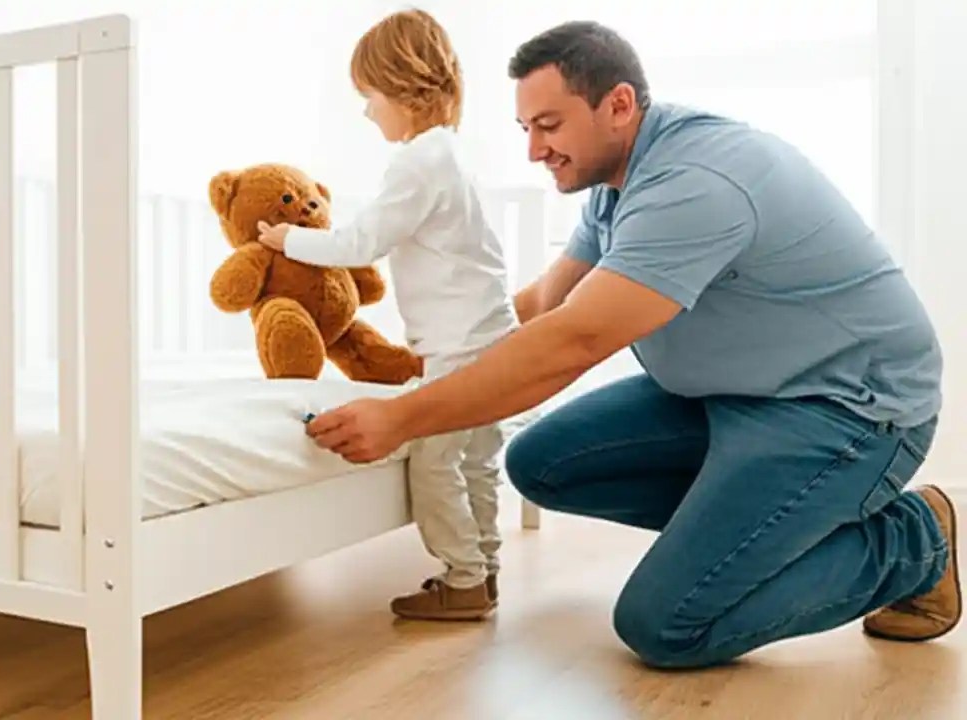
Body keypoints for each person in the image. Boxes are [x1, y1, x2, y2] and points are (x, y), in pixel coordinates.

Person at [301, 19, 958, 667]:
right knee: (541, 462)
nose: (534, 150)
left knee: (665, 624)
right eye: (525, 128)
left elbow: (573, 340)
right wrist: (430, 361)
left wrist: (402, 420)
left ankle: (914, 542)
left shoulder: (695, 182)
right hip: (727, 397)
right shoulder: (619, 181)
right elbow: (539, 305)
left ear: (617, 104)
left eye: (549, 125)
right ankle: (767, 527)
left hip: (846, 409)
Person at [255, 9, 518, 621]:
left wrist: (284, 241)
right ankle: (486, 571)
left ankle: (462, 577)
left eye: (370, 96)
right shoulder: (451, 156)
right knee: (477, 462)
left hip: (458, 352)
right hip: (491, 340)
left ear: (404, 88)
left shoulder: (418, 162)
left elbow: (357, 243)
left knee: (432, 461)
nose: (367, 111)